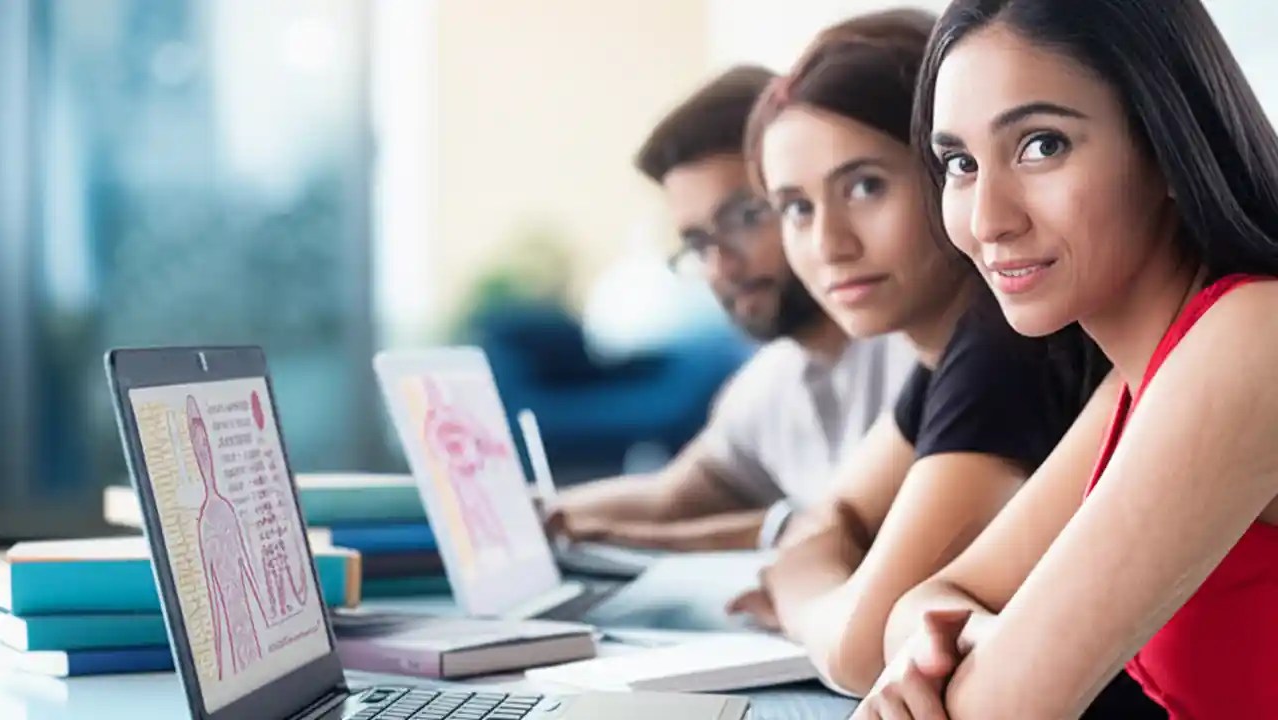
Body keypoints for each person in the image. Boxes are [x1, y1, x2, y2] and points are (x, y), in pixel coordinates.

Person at [854, 1, 1278, 718]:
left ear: (1170, 147)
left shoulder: (1255, 336)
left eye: (1041, 145)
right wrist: (974, 639)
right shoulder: (1137, 383)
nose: (989, 219)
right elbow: (923, 604)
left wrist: (984, 657)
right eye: (959, 162)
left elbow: (998, 713)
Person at [724, 12, 1155, 713]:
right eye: (796, 209)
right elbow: (844, 525)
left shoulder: (1006, 346)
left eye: (864, 186)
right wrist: (820, 561)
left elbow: (865, 640)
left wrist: (799, 587)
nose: (829, 243)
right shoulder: (953, 352)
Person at [547, 66, 914, 552]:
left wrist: (625, 536)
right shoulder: (773, 381)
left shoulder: (917, 346)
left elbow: (845, 535)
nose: (722, 264)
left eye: (744, 218)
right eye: (698, 242)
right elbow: (671, 497)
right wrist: (537, 511)